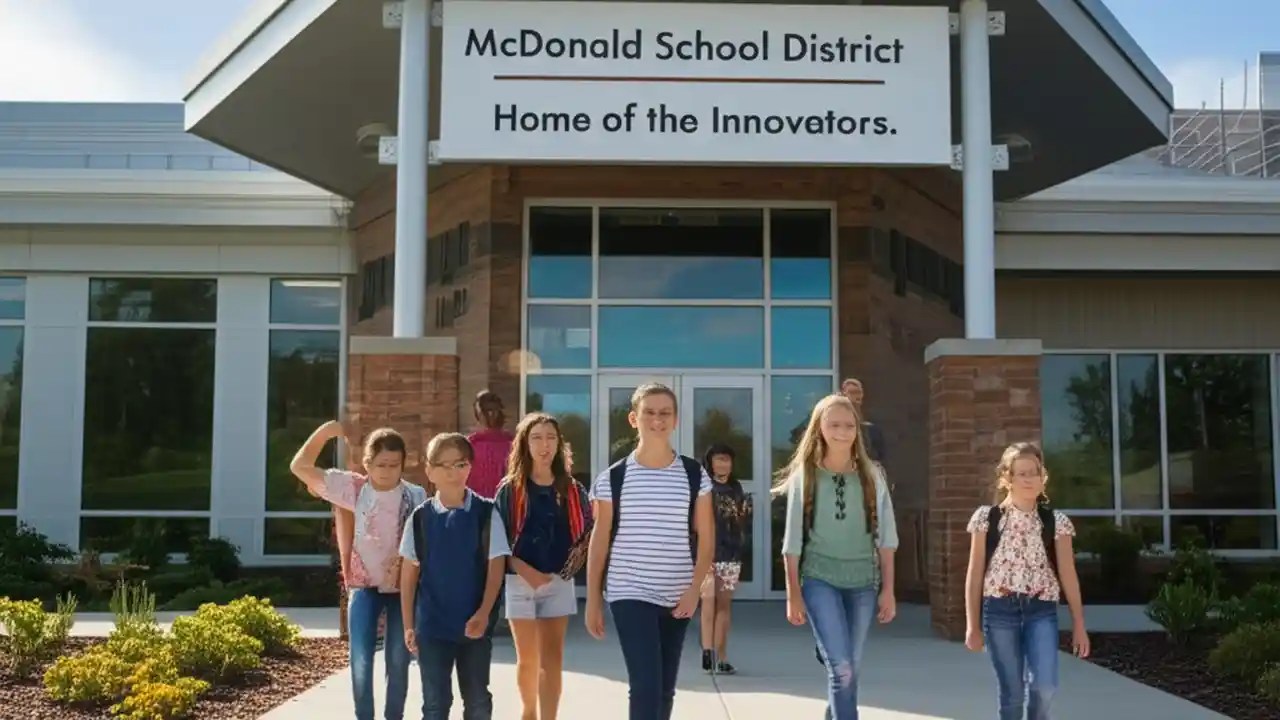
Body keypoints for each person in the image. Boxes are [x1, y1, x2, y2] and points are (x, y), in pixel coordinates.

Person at [584, 382, 714, 720]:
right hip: (629, 590)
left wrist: (694, 590)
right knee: (645, 684)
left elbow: (707, 538)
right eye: (649, 413)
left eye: (665, 413)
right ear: (634, 419)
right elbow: (599, 541)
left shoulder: (694, 475)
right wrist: (593, 599)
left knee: (665, 688)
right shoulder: (613, 478)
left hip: (678, 593)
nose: (658, 420)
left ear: (676, 420)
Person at [290, 421, 426, 720]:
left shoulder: (415, 496)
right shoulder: (351, 488)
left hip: (401, 590)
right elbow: (299, 467)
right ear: (367, 463)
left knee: (399, 661)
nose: (387, 471)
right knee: (360, 659)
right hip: (364, 586)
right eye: (380, 465)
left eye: (394, 465)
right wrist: (326, 432)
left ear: (404, 464)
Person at [775, 394, 898, 720]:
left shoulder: (873, 475)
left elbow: (887, 538)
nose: (842, 432)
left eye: (848, 425)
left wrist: (888, 589)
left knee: (848, 668)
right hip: (819, 579)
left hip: (863, 582)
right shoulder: (806, 475)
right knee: (842, 669)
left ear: (857, 430)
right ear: (819, 429)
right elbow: (792, 541)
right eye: (834, 425)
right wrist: (793, 594)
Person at [964, 442, 1090, 720]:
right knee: (1012, 693)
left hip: (1041, 611)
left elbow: (1068, 574)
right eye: (1022, 473)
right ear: (1006, 478)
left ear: (1043, 477)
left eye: (1035, 472)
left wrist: (1079, 623)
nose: (1029, 479)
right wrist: (972, 625)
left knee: (1045, 686)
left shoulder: (1056, 522)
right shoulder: (987, 519)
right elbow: (974, 574)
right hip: (999, 611)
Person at [398, 432, 511, 720]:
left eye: (460, 464)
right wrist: (409, 625)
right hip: (432, 626)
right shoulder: (420, 519)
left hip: (475, 625)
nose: (453, 473)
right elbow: (408, 576)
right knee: (435, 703)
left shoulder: (487, 513)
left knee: (477, 699)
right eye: (444, 466)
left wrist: (484, 613)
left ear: (470, 467)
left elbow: (496, 568)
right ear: (430, 471)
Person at [493, 413, 593, 720]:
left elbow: (587, 535)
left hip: (557, 582)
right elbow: (498, 542)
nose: (544, 444)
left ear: (559, 444)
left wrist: (564, 573)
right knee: (528, 659)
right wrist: (526, 571)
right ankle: (529, 713)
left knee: (552, 660)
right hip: (520, 581)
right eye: (536, 437)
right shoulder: (510, 490)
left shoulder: (573, 489)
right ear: (525, 444)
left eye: (550, 437)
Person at [699, 443, 748, 676]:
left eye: (727, 460)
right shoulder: (704, 488)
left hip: (730, 556)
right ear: (710, 462)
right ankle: (707, 653)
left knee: (724, 606)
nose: (723, 464)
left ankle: (722, 656)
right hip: (707, 555)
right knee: (708, 602)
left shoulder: (736, 488)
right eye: (719, 459)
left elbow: (740, 521)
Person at [468, 390, 515, 499]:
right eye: (488, 411)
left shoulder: (515, 445)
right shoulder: (467, 446)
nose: (491, 415)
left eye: (493, 410)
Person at [840, 379, 887, 465]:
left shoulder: (871, 427)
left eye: (859, 392)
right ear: (844, 395)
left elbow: (879, 454)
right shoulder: (836, 422)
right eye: (853, 392)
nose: (857, 396)